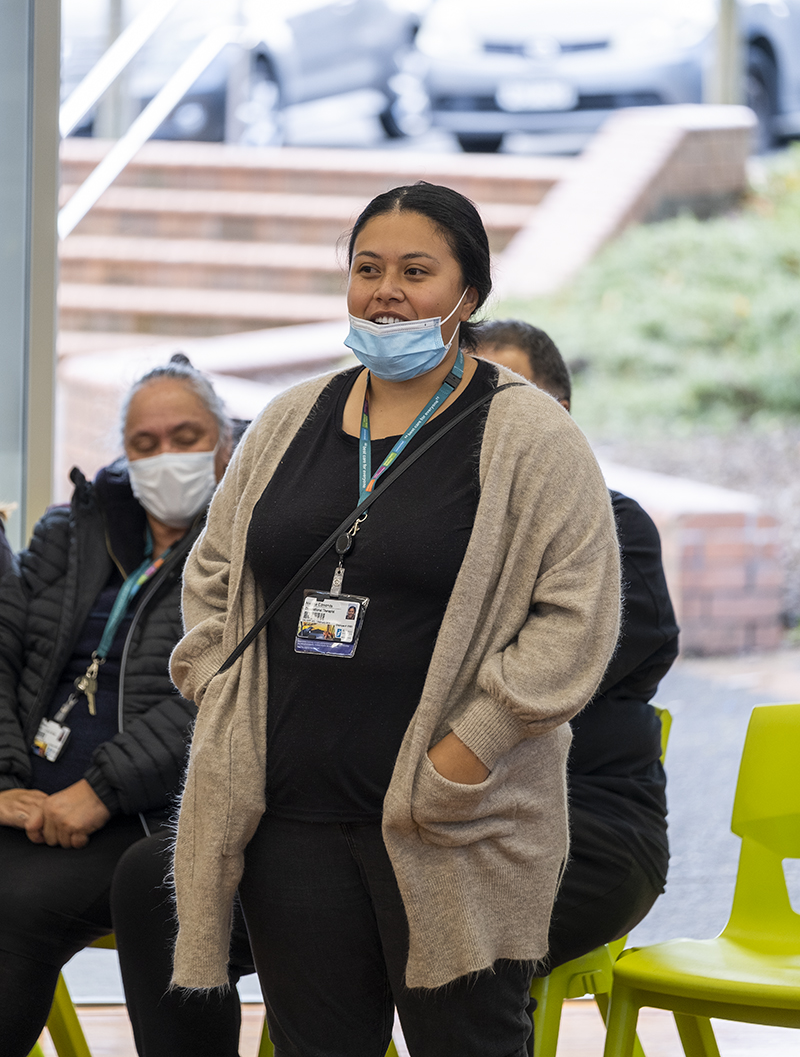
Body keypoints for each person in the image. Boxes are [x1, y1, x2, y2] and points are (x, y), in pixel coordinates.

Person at [166, 182, 621, 1057]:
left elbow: (578, 615)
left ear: (468, 295)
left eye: (417, 271)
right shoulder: (288, 420)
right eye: (368, 268)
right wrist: (215, 683)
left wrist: (468, 749)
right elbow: (216, 568)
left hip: (453, 821)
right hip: (287, 813)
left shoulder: (529, 434)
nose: (387, 291)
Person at [0, 353, 232, 1057]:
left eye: (187, 438)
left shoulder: (259, 542)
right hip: (34, 799)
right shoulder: (72, 531)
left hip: (149, 816)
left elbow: (232, 686)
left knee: (14, 907)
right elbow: (7, 656)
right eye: (145, 444)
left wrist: (100, 790)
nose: (167, 458)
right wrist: (6, 780)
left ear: (225, 441)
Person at [472, 319, 679, 972]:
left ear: (560, 415)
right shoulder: (434, 535)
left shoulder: (618, 529)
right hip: (447, 814)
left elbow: (553, 673)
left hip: (586, 819)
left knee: (445, 924)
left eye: (507, 399)